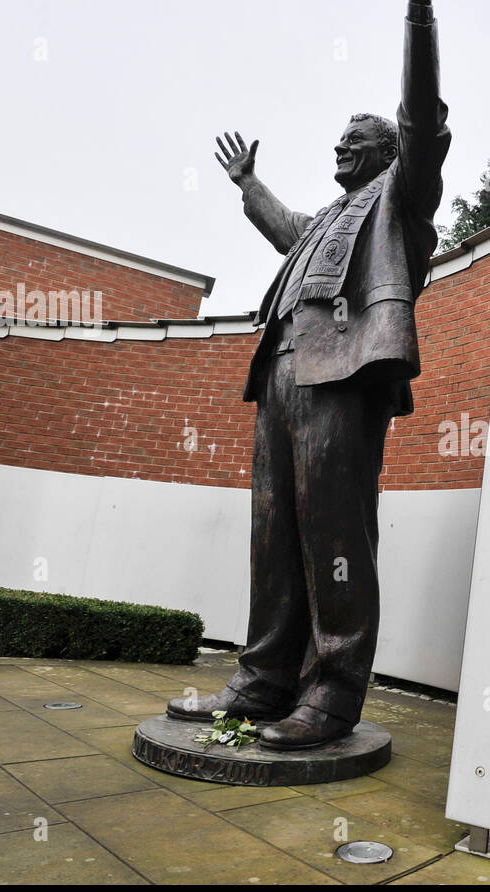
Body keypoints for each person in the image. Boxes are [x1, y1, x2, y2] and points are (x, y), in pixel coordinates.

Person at [167, 0, 450, 750]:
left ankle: (331, 691)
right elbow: (287, 231)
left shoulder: (401, 198)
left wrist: (418, 24)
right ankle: (264, 677)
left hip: (344, 372)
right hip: (282, 372)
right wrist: (249, 185)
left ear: (387, 151)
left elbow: (422, 120)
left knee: (334, 530)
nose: (341, 143)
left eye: (356, 137)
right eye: (340, 135)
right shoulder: (329, 217)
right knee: (275, 529)